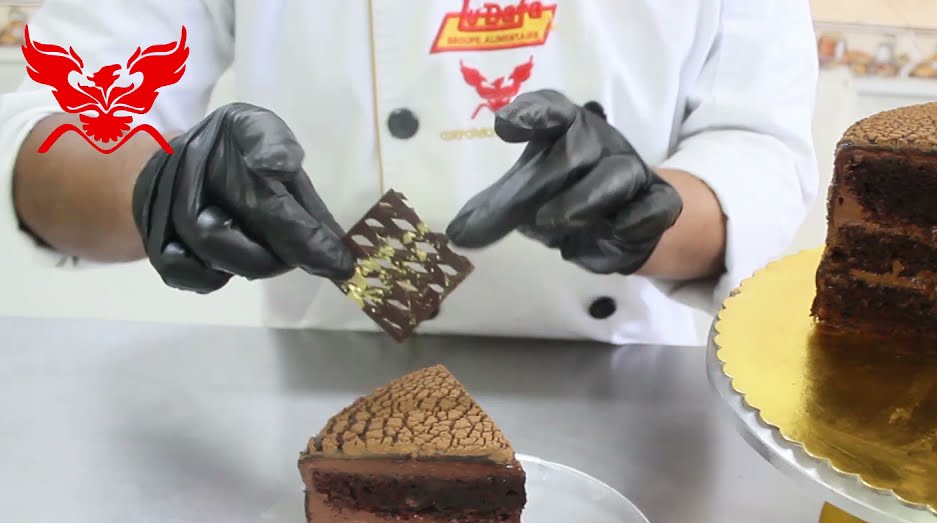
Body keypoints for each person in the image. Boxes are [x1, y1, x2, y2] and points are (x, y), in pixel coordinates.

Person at [0, 1, 818, 346]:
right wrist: (155, 189)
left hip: (634, 393)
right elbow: (51, 114)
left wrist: (649, 216)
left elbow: (759, 147)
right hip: (332, 381)